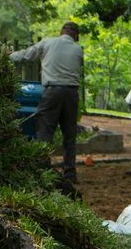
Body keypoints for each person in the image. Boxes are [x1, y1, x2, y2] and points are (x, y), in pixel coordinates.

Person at [9, 22, 85, 182]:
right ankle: (70, 173)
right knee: (69, 134)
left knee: (45, 130)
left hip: (52, 92)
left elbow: (27, 55)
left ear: (61, 32)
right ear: (76, 36)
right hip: (71, 93)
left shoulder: (48, 42)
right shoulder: (78, 49)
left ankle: (42, 169)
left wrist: (9, 56)